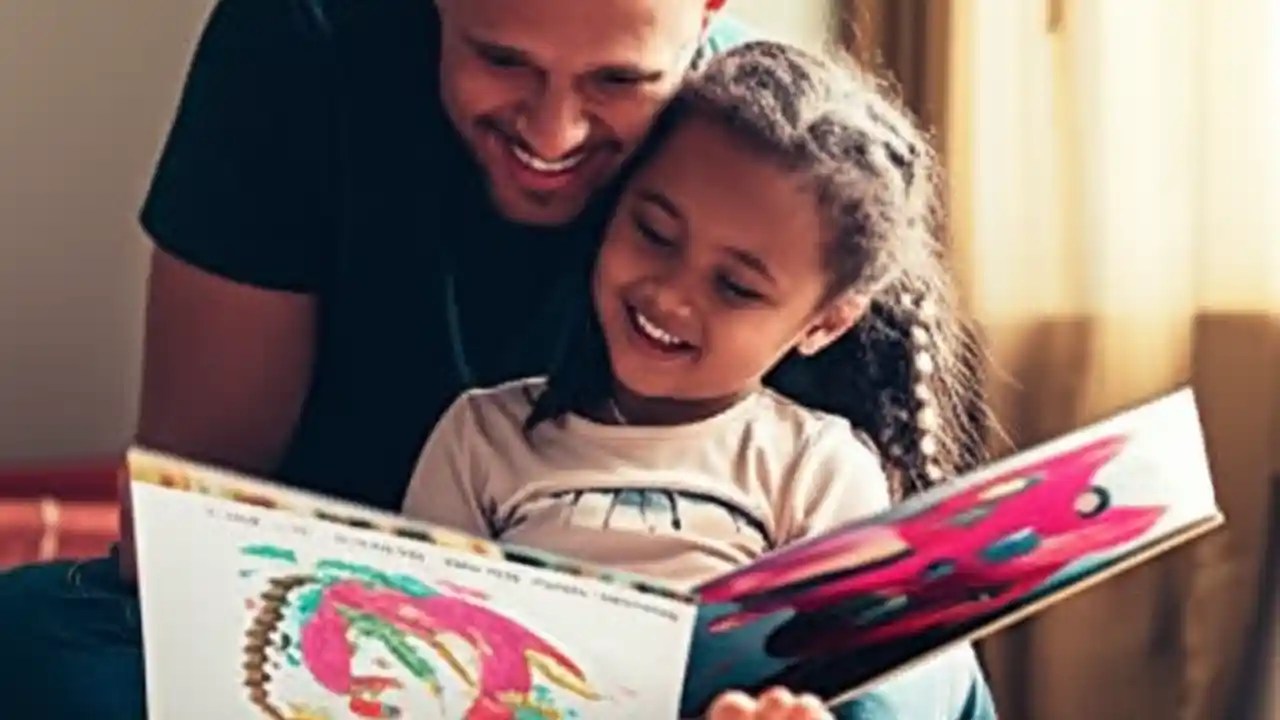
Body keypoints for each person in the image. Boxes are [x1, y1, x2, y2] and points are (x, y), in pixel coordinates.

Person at [0, 0, 990, 717]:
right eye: (501, 58)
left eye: (617, 81)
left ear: (704, 21)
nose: (552, 130)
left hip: (698, 663)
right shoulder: (294, 48)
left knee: (925, 674)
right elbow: (186, 522)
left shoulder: (743, 143)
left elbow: (818, 605)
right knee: (36, 634)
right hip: (374, 627)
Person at [401, 40, 996, 720]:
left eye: (737, 287)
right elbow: (425, 660)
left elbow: (858, 682)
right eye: (654, 232)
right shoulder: (484, 437)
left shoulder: (814, 466)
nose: (671, 296)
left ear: (825, 323)